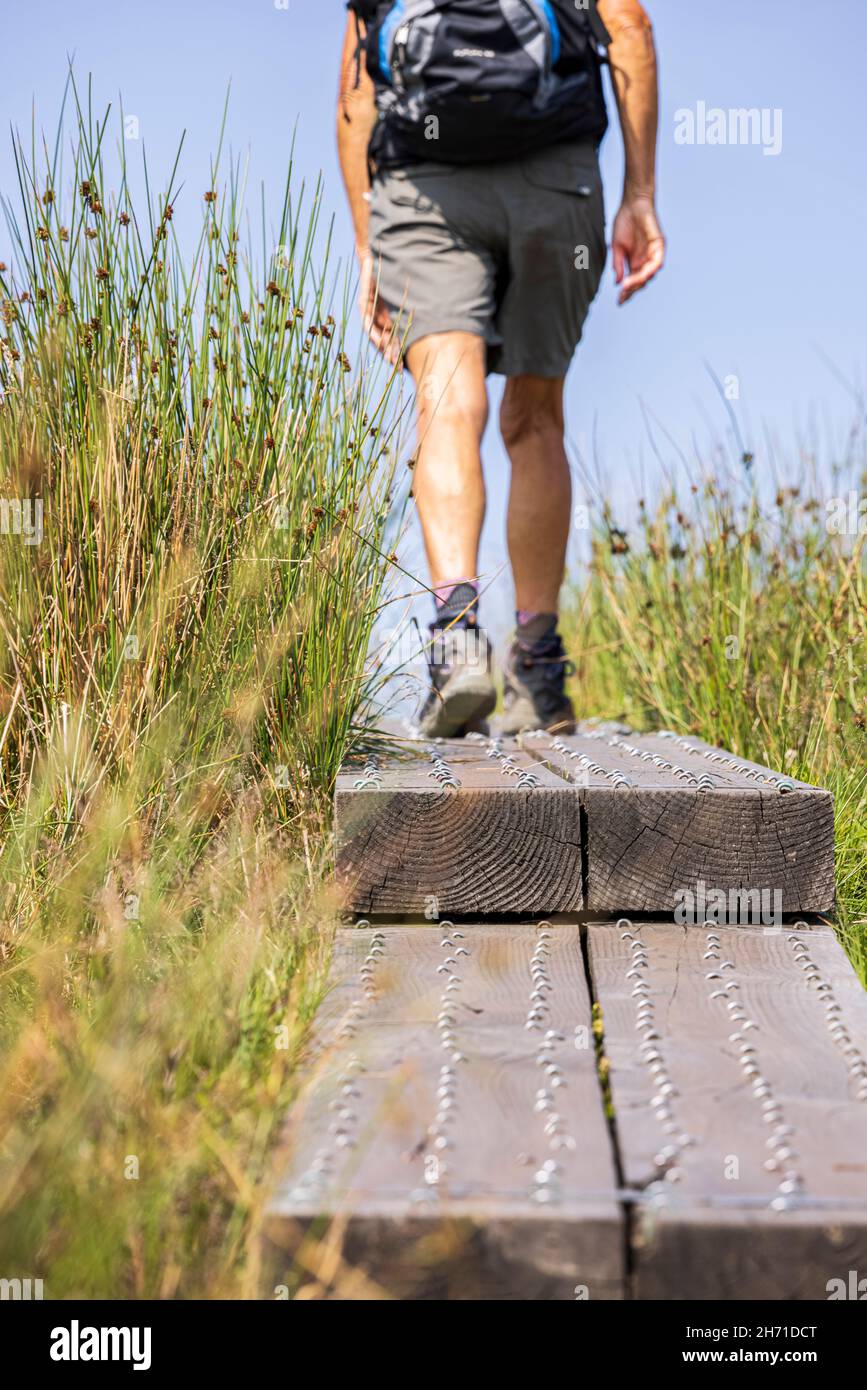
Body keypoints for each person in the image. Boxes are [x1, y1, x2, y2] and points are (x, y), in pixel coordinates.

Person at [337, 0, 664, 736]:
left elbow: (355, 92)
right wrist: (639, 194)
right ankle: (540, 671)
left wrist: (368, 248)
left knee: (446, 401)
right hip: (553, 182)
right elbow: (631, 29)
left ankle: (456, 641)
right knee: (534, 419)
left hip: (422, 187)